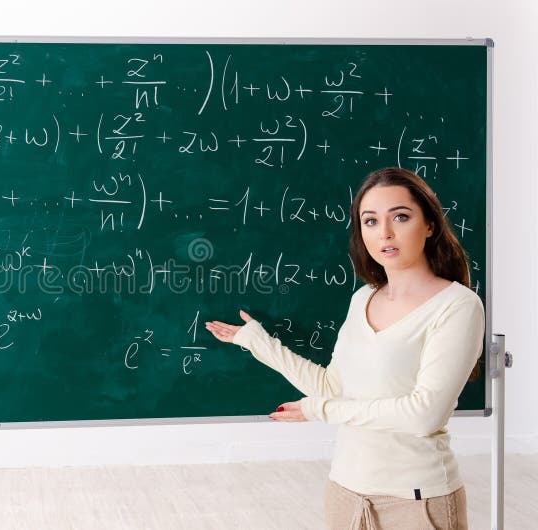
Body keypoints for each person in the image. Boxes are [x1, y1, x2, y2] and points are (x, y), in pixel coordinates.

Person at [205, 167, 483, 529]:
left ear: (429, 224)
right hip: (345, 492)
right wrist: (259, 343)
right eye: (370, 221)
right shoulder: (363, 298)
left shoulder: (457, 305)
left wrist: (320, 411)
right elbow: (333, 389)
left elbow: (423, 415)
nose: (384, 233)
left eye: (400, 216)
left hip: (417, 500)